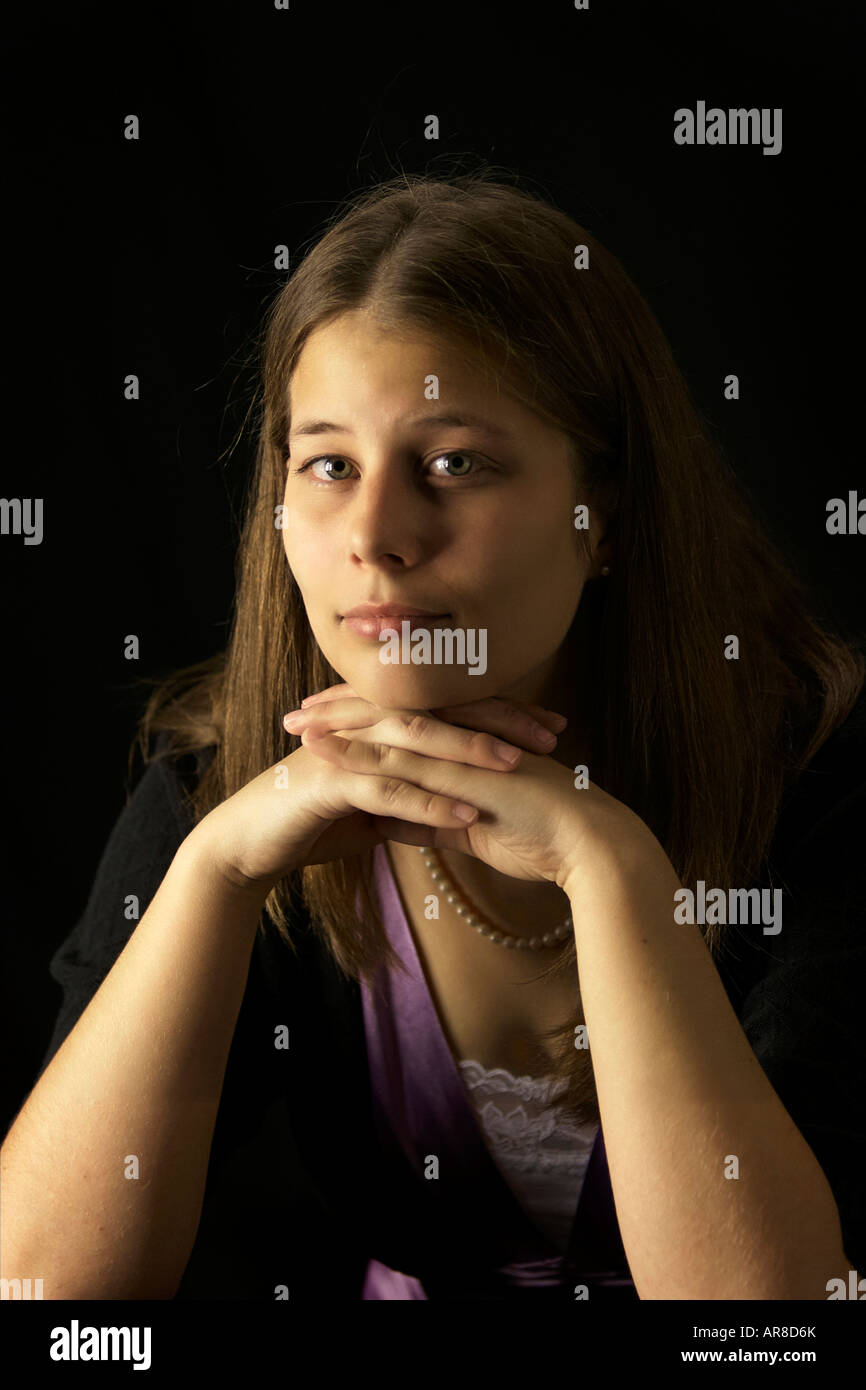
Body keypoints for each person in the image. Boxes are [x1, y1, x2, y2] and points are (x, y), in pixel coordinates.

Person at [2, 170, 864, 1301]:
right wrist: (211, 870)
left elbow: (763, 1326)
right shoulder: (216, 791)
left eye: (453, 461)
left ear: (602, 515)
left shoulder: (823, 786)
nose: (375, 535)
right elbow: (51, 1296)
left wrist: (604, 869)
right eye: (328, 465)